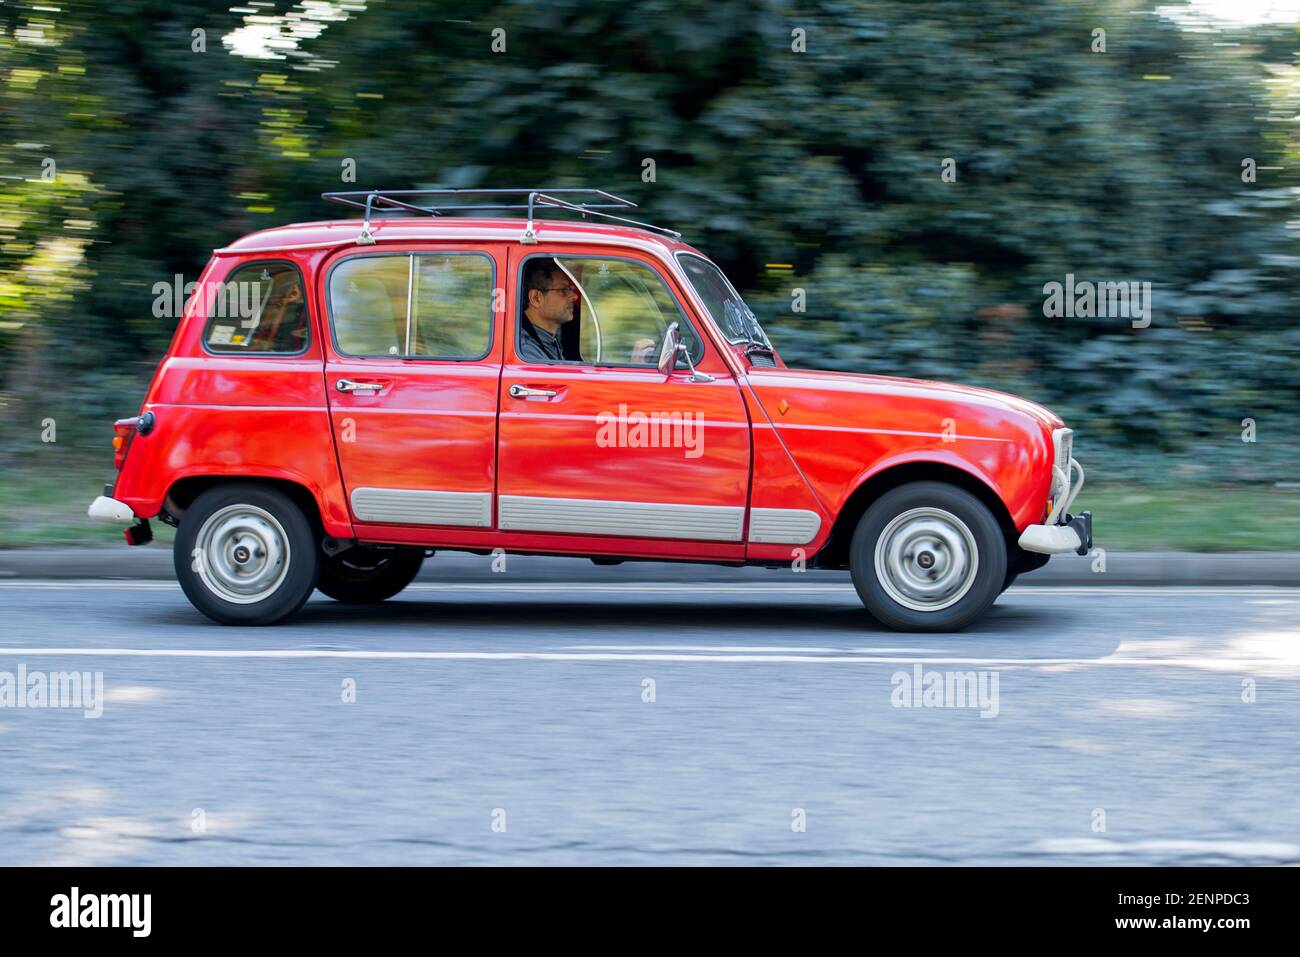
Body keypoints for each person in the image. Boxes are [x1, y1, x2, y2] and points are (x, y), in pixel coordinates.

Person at [519, 258, 578, 362]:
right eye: (563, 290)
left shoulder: (548, 341)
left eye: (570, 289)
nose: (574, 296)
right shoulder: (527, 353)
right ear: (536, 298)